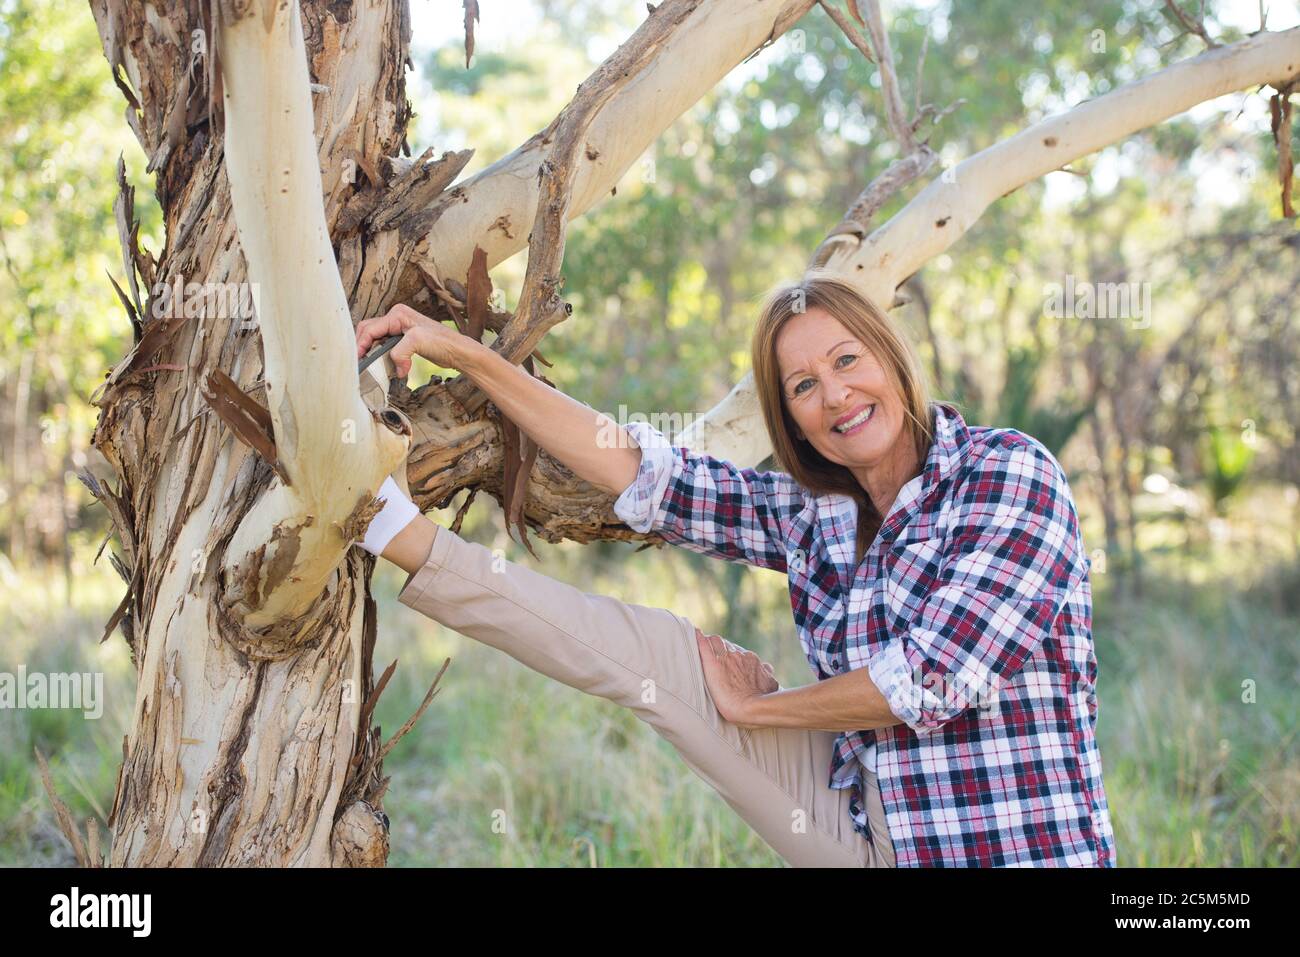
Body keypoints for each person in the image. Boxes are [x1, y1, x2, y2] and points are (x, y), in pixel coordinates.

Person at [353, 271, 1116, 867]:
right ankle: (399, 533)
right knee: (660, 658)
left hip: (1015, 851)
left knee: (721, 693)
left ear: (892, 357)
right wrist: (473, 358)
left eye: (848, 359)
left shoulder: (1007, 474)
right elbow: (646, 473)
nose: (836, 394)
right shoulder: (817, 513)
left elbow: (934, 679)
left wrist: (758, 711)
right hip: (871, 835)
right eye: (804, 385)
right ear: (792, 417)